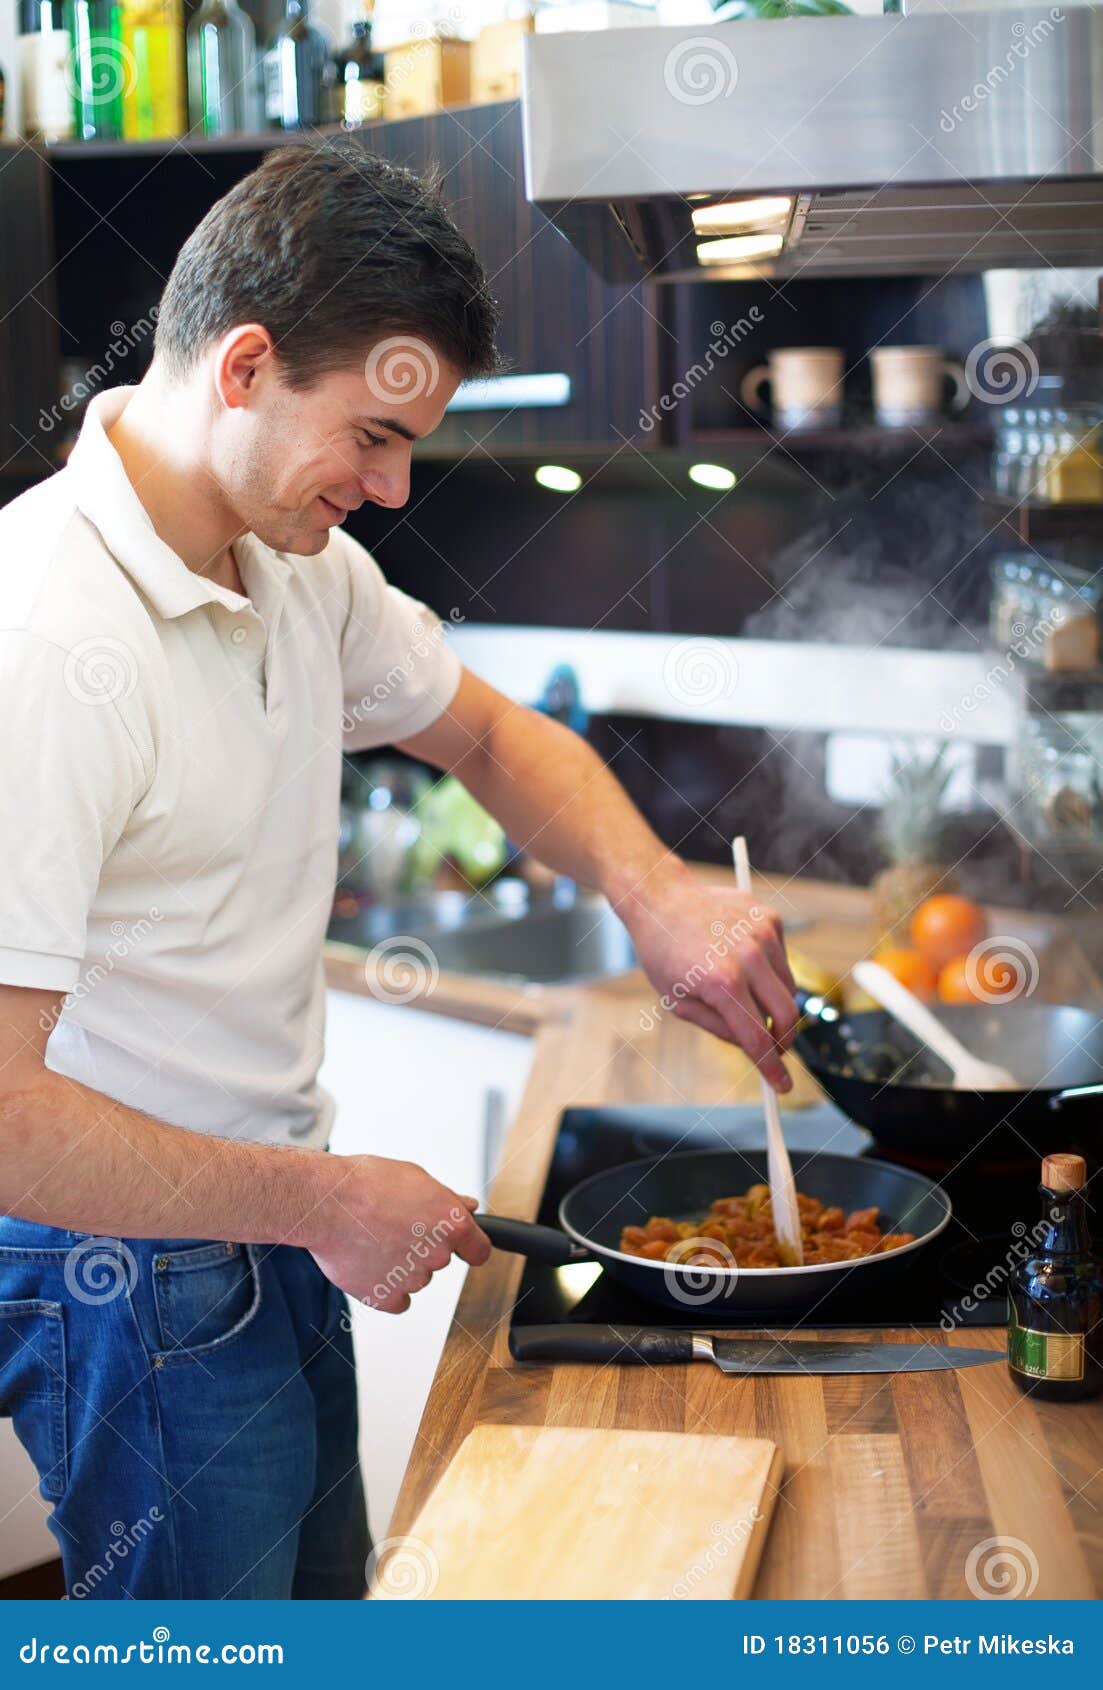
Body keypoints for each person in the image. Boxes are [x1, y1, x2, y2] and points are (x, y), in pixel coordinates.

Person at [0, 142, 798, 1599]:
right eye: (373, 434)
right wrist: (317, 1201)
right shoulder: (50, 637)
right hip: (121, 1267)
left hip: (266, 1213)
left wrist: (653, 889)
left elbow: (492, 734)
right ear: (243, 366)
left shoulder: (293, 563)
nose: (395, 484)